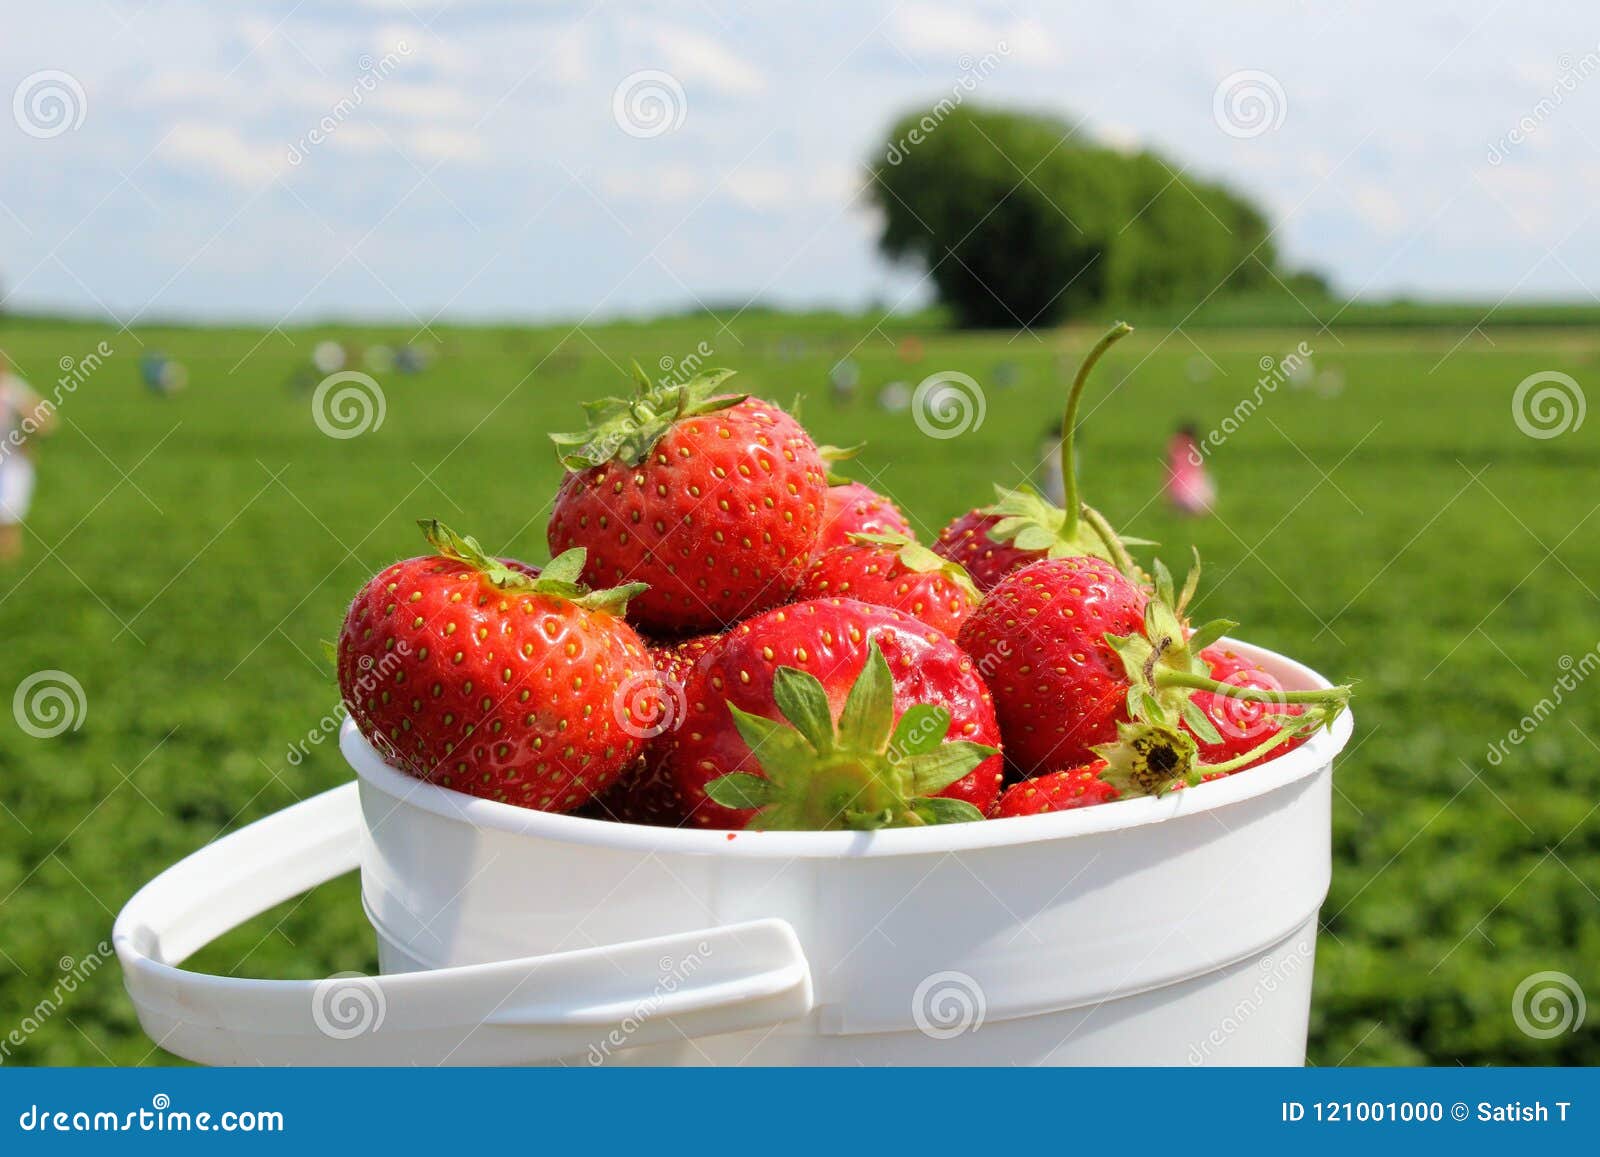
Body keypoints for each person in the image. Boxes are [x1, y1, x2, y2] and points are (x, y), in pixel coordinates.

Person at [0, 352, 54, 563]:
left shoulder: (13, 390)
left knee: (7, 518)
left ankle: (8, 563)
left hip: (12, 464)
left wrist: (30, 425)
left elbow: (46, 424)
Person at [1165, 422, 1215, 517]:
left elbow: (1168, 473)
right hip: (1191, 496)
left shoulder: (1174, 448)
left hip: (1178, 495)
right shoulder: (1192, 451)